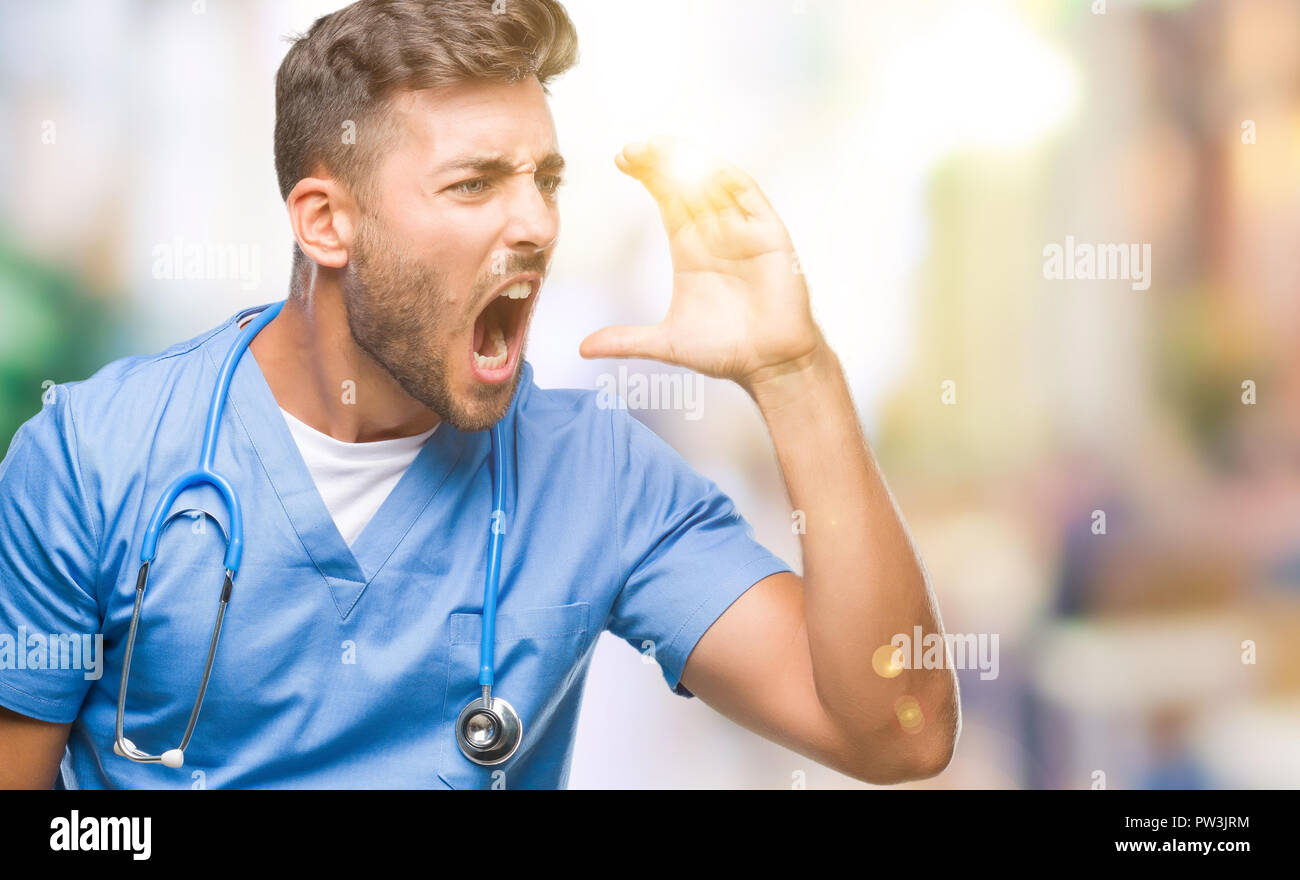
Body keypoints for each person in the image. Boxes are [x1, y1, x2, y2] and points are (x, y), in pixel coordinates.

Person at [0, 0, 957, 789]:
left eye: (545, 180)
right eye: (474, 185)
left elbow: (896, 735)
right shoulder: (92, 459)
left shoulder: (595, 474)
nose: (537, 224)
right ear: (327, 222)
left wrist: (796, 375)